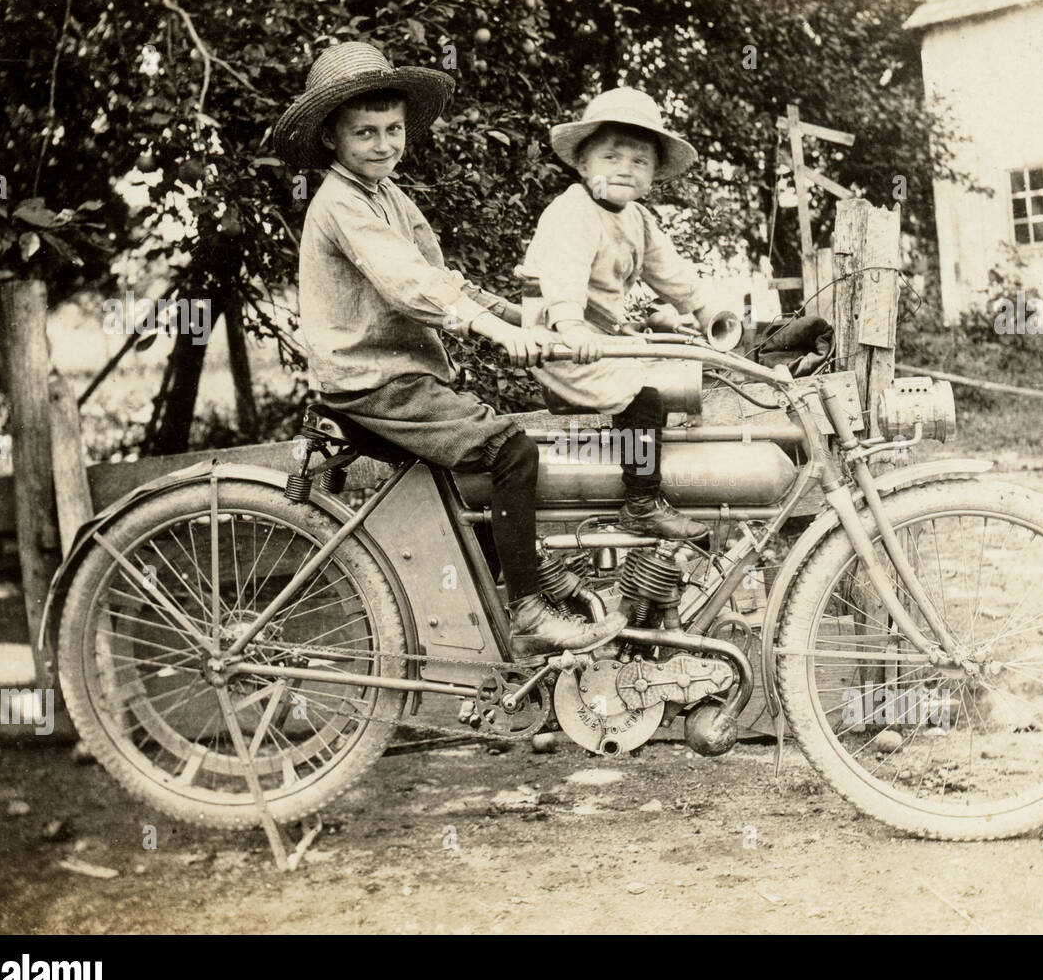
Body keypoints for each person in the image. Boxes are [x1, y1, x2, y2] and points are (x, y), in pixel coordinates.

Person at [274, 42, 624, 659]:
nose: (384, 145)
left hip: (402, 375)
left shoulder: (386, 194)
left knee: (474, 476)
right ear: (331, 138)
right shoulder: (340, 203)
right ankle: (530, 613)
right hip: (373, 383)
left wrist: (522, 319)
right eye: (365, 133)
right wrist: (494, 334)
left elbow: (442, 277)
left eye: (394, 130)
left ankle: (531, 577)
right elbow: (408, 285)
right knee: (511, 450)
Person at [522, 87, 738, 541]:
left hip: (603, 337)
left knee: (684, 382)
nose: (624, 169)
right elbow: (564, 274)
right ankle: (640, 502)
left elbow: (672, 273)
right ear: (583, 165)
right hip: (560, 340)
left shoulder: (637, 218)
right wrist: (570, 324)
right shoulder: (572, 212)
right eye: (611, 157)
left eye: (639, 162)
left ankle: (677, 482)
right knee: (645, 398)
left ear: (653, 175)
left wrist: (704, 310)